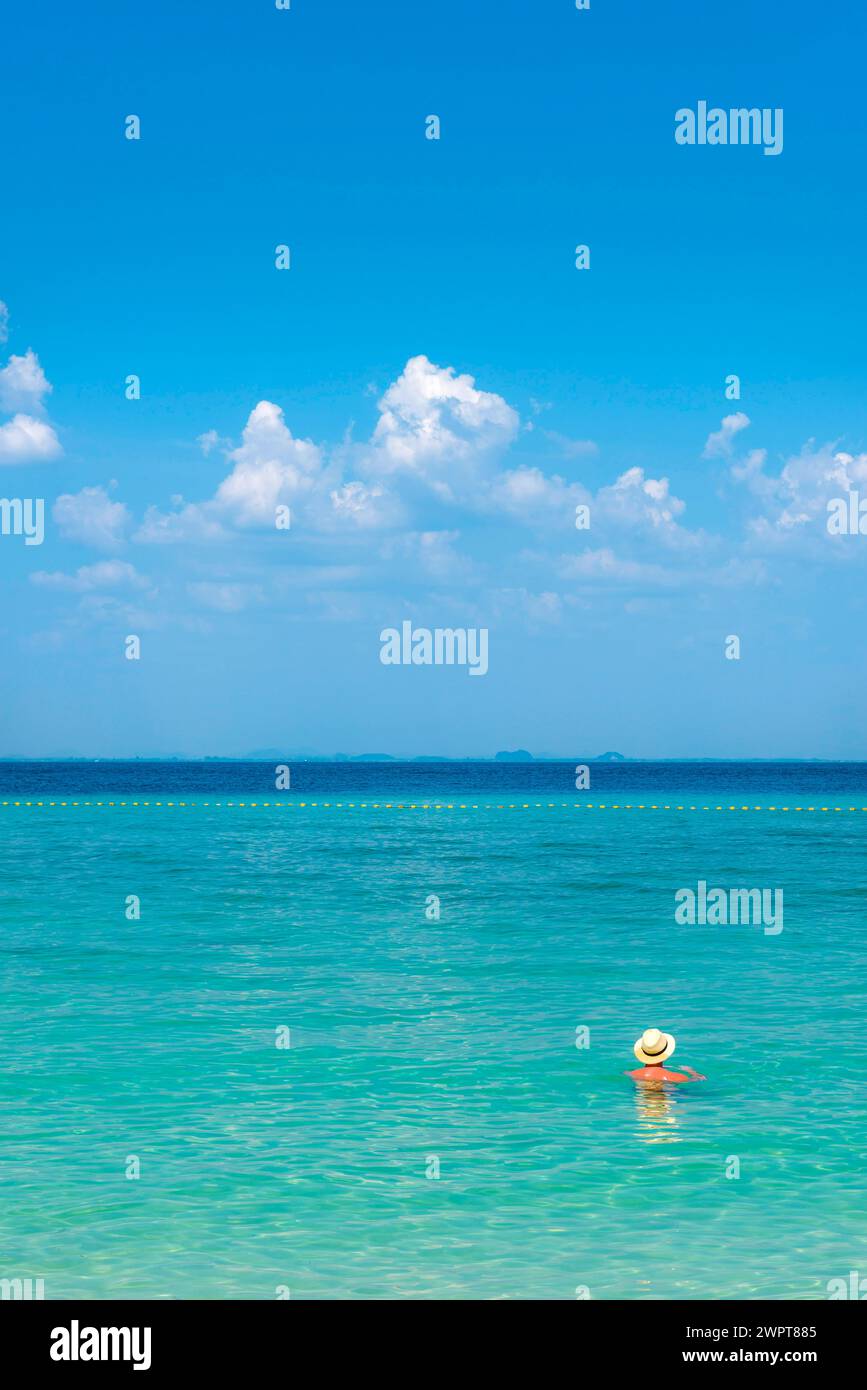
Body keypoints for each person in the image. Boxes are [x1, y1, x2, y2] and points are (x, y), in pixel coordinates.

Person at [626, 1027, 705, 1083]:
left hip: (642, 1104)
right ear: (665, 1052)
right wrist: (691, 1071)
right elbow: (700, 1079)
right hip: (664, 1102)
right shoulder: (672, 1077)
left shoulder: (631, 1074)